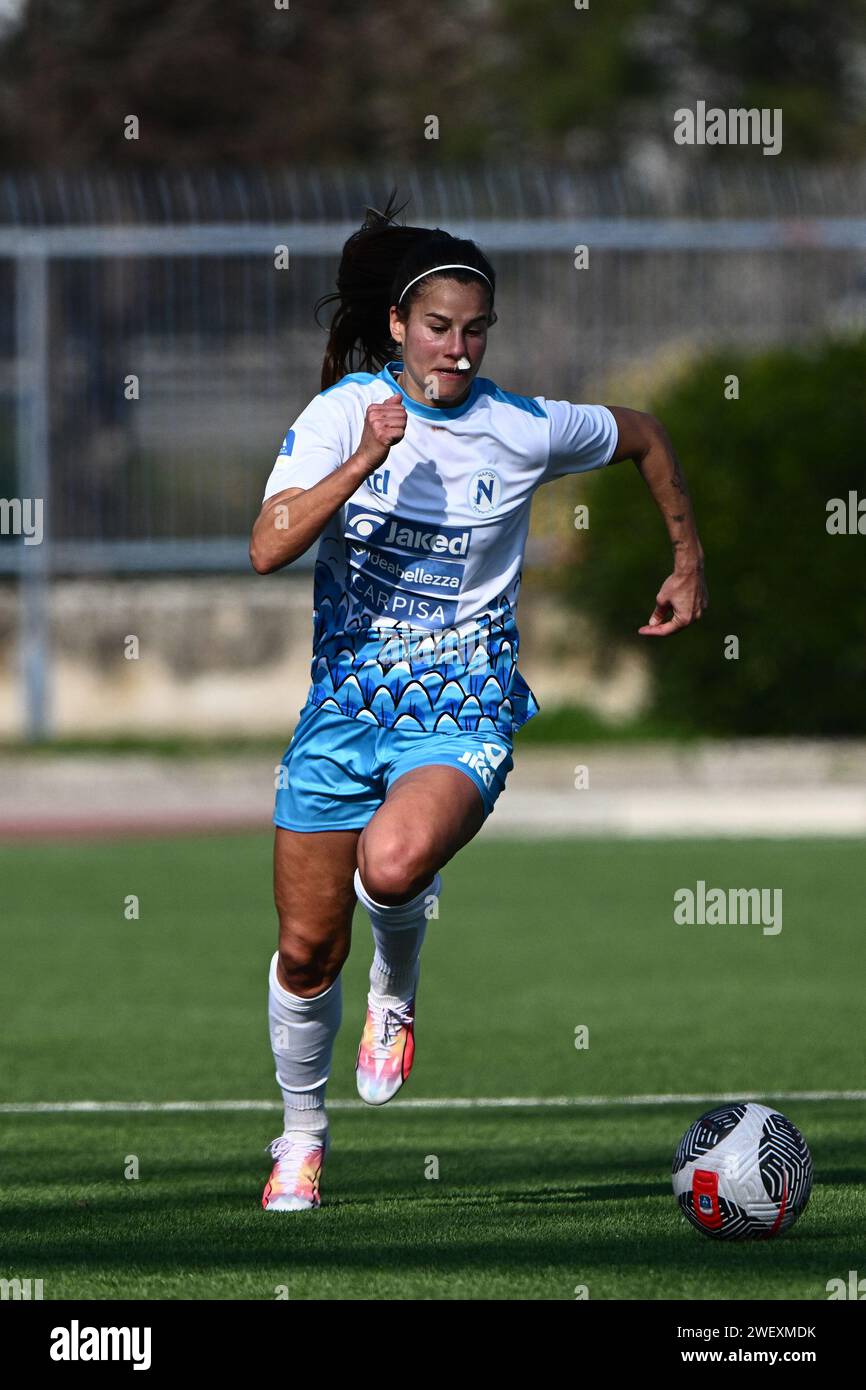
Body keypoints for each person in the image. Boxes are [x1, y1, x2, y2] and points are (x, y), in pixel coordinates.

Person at [249, 194, 707, 1211]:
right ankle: (299, 1137)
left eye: (474, 330)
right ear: (398, 331)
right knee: (302, 945)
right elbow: (267, 547)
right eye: (437, 328)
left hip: (463, 703)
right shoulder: (340, 416)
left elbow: (642, 434)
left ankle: (396, 990)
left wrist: (685, 557)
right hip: (342, 711)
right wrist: (367, 458)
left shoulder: (521, 426)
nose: (456, 348)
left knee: (395, 862)